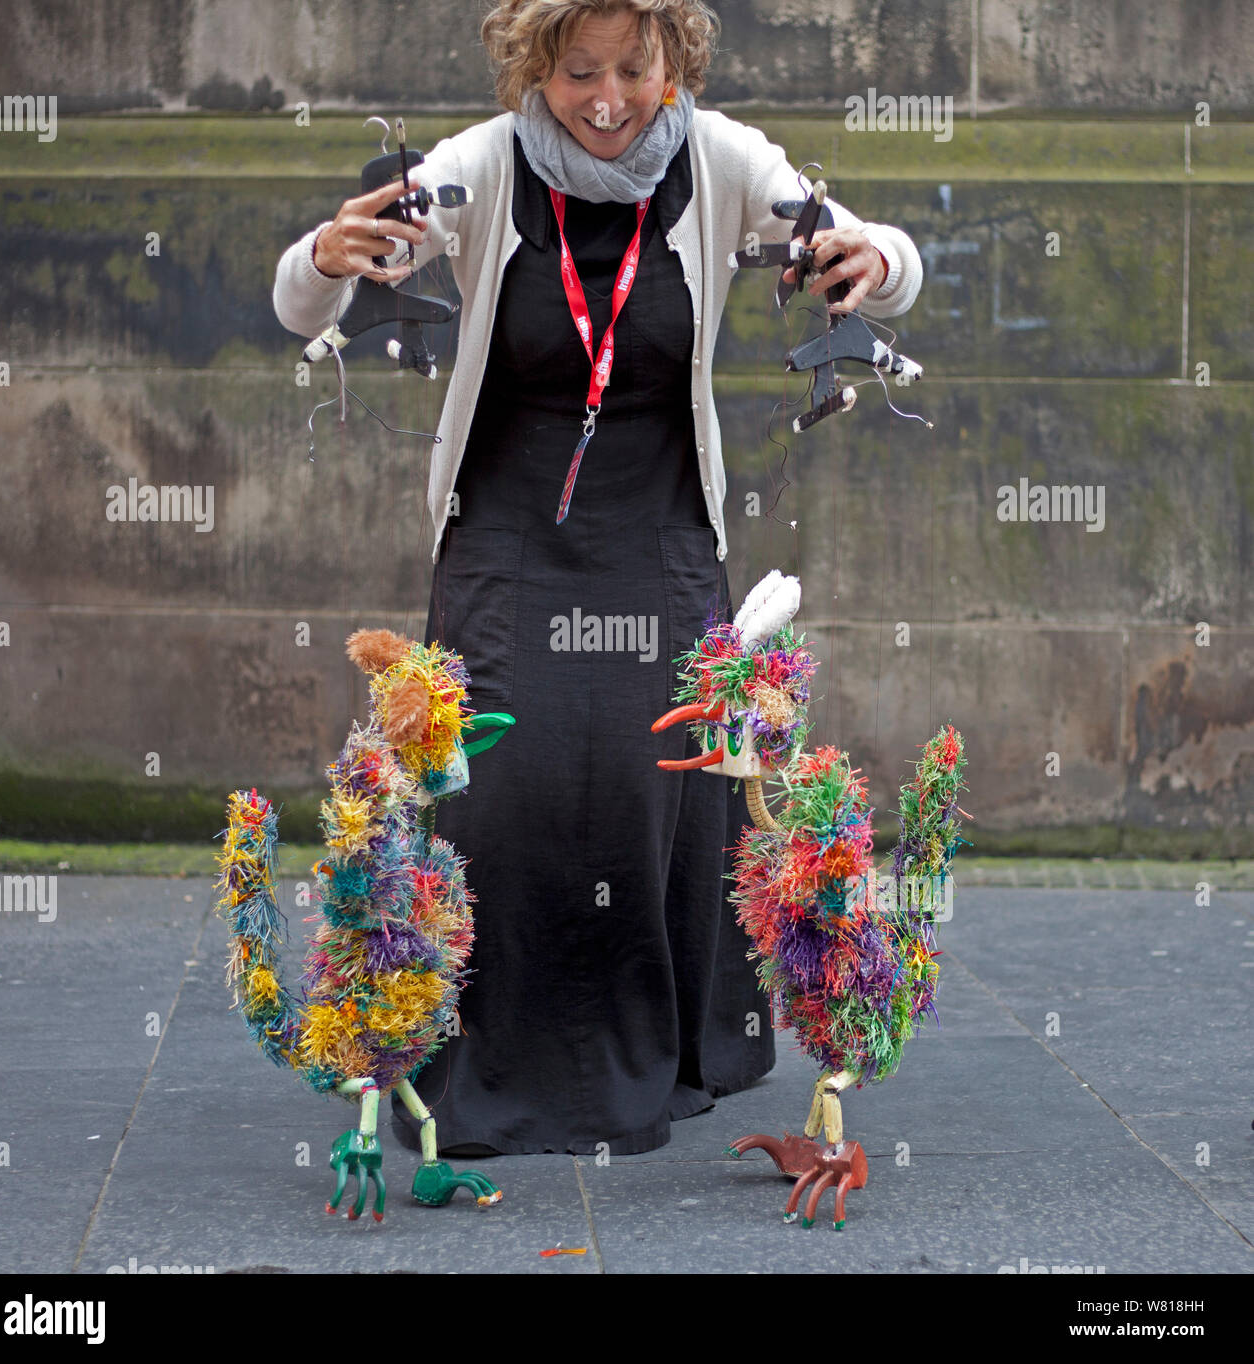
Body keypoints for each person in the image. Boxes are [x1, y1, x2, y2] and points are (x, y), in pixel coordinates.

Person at [272, 0, 923, 1157]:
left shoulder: (722, 159)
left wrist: (877, 261)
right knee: (497, 788)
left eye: (635, 68)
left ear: (674, 63)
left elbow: (881, 259)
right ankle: (489, 1051)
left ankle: (645, 1052)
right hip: (509, 522)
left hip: (658, 520)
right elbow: (303, 299)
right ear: (537, 67)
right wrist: (322, 259)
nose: (609, 98)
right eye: (580, 72)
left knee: (648, 782)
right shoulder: (476, 167)